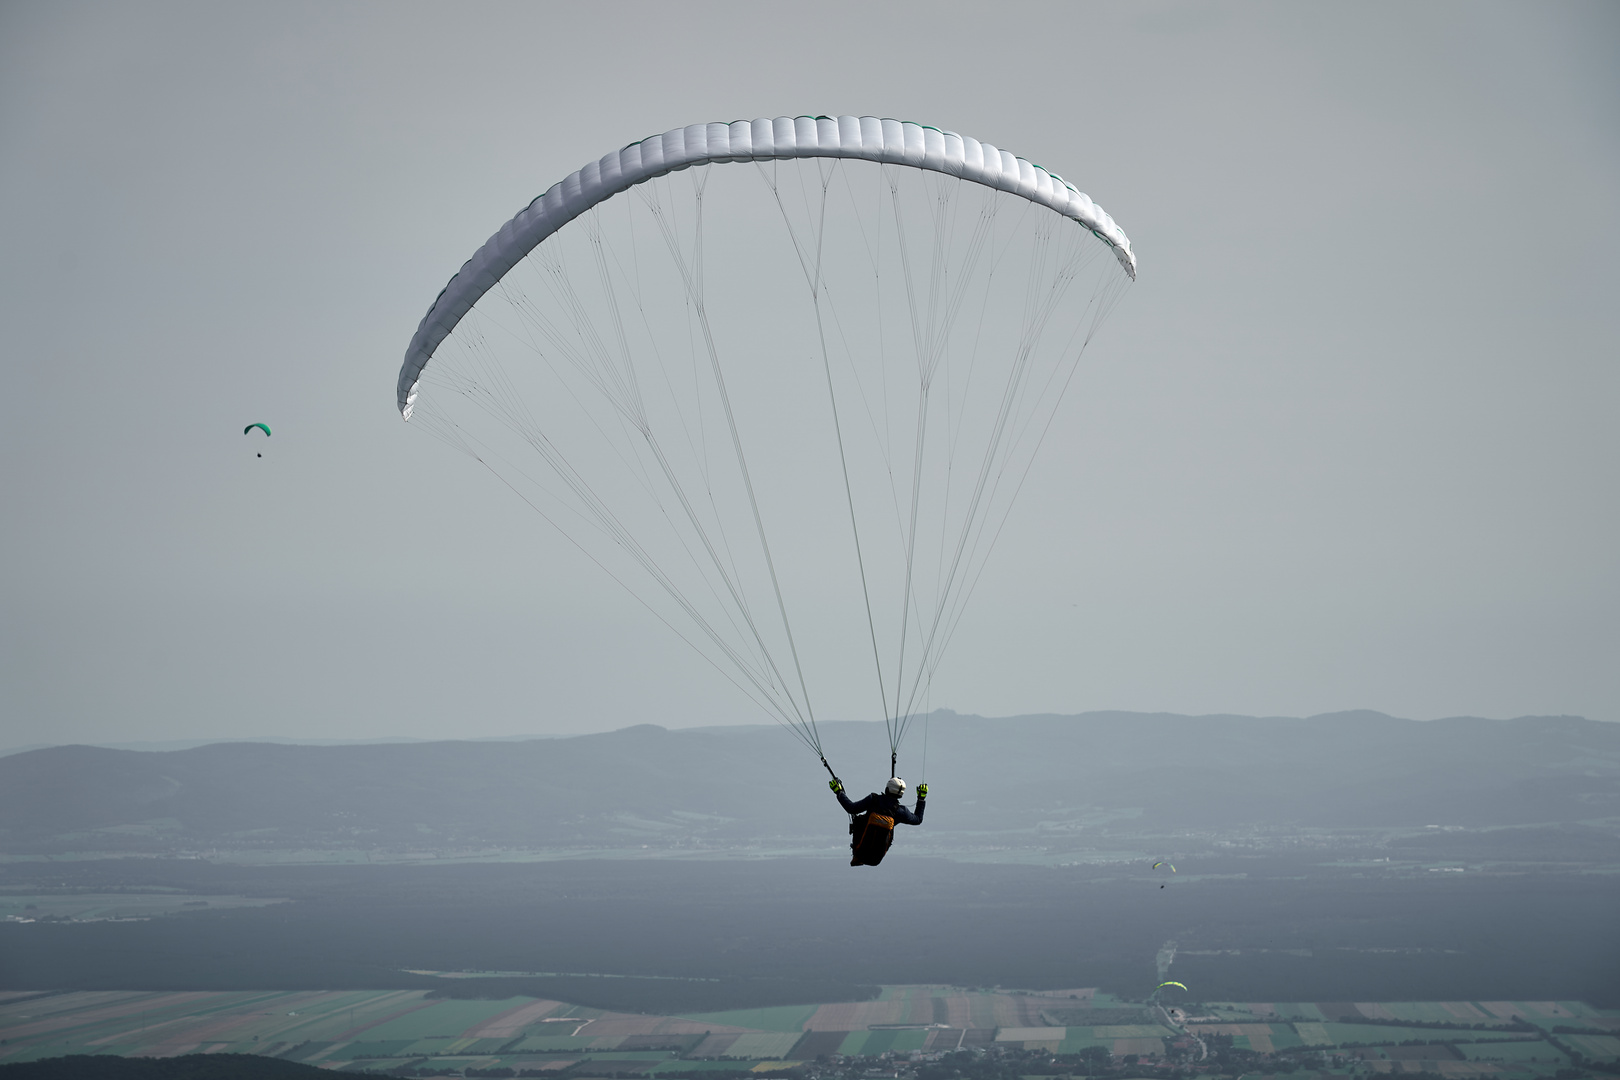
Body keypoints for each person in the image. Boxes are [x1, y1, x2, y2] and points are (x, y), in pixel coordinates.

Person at [828, 776, 927, 866]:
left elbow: (851, 808)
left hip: (860, 853)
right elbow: (918, 819)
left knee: (859, 820)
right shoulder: (900, 812)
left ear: (887, 788)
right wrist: (921, 798)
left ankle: (856, 856)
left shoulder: (873, 800)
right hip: (876, 859)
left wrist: (839, 792)